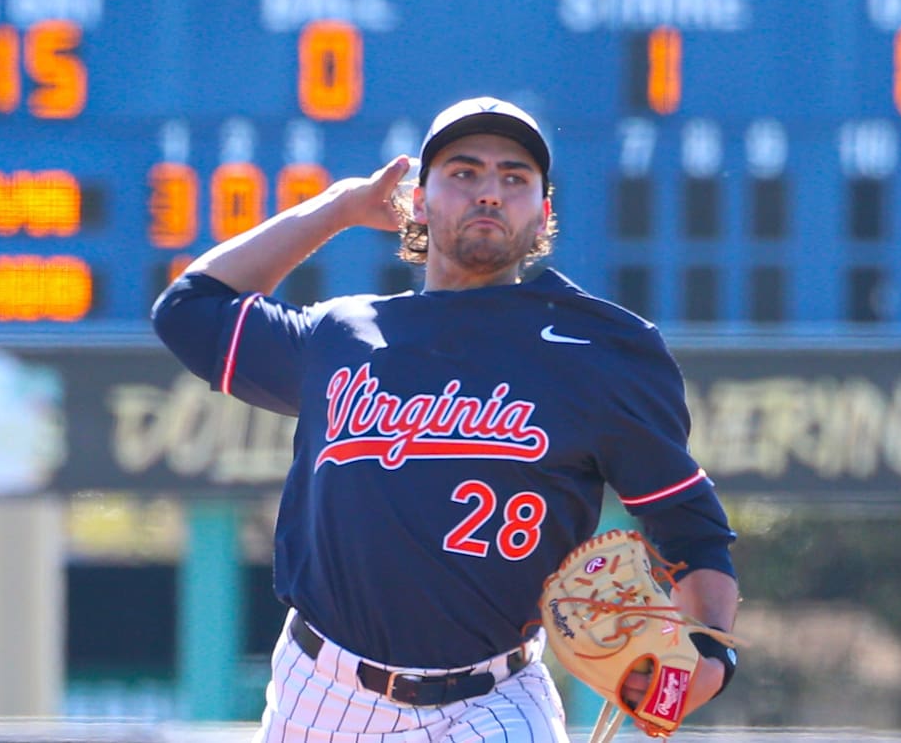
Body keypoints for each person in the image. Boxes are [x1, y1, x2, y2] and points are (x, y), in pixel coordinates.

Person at [152, 97, 740, 742]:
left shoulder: (600, 351)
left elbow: (690, 530)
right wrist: (339, 207)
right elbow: (189, 309)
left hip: (493, 701)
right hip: (317, 690)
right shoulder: (342, 334)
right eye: (463, 172)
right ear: (419, 201)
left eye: (514, 177)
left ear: (544, 212)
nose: (490, 191)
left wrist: (711, 654)